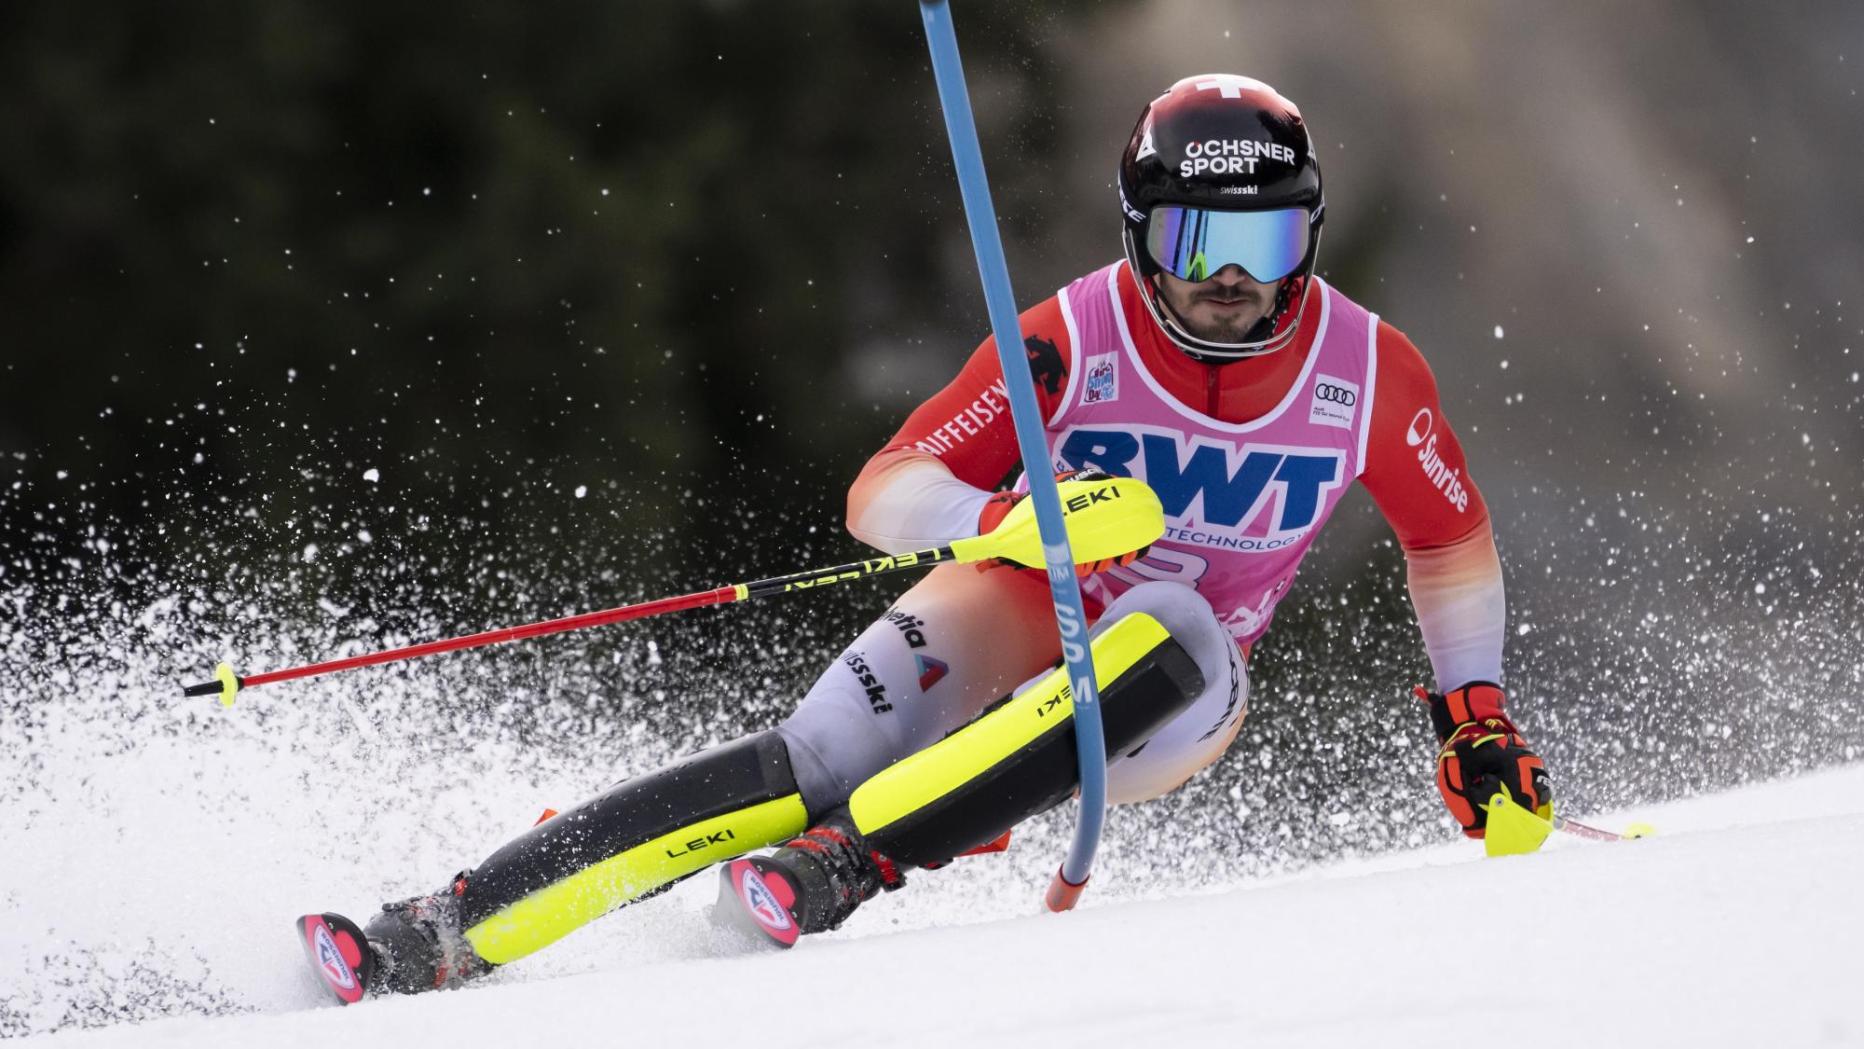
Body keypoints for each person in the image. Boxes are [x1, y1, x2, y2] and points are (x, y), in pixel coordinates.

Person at [297, 73, 1552, 1001]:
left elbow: (1447, 539)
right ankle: (445, 926)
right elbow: (884, 490)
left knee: (1168, 620)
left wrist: (1473, 713)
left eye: (1264, 243)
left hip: (1179, 688)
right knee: (818, 748)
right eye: (1195, 242)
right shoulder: (1070, 338)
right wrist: (1006, 521)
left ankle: (847, 865)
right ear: (1140, 235)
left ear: (1306, 239)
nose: (1231, 279)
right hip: (1018, 598)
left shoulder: (1368, 372)